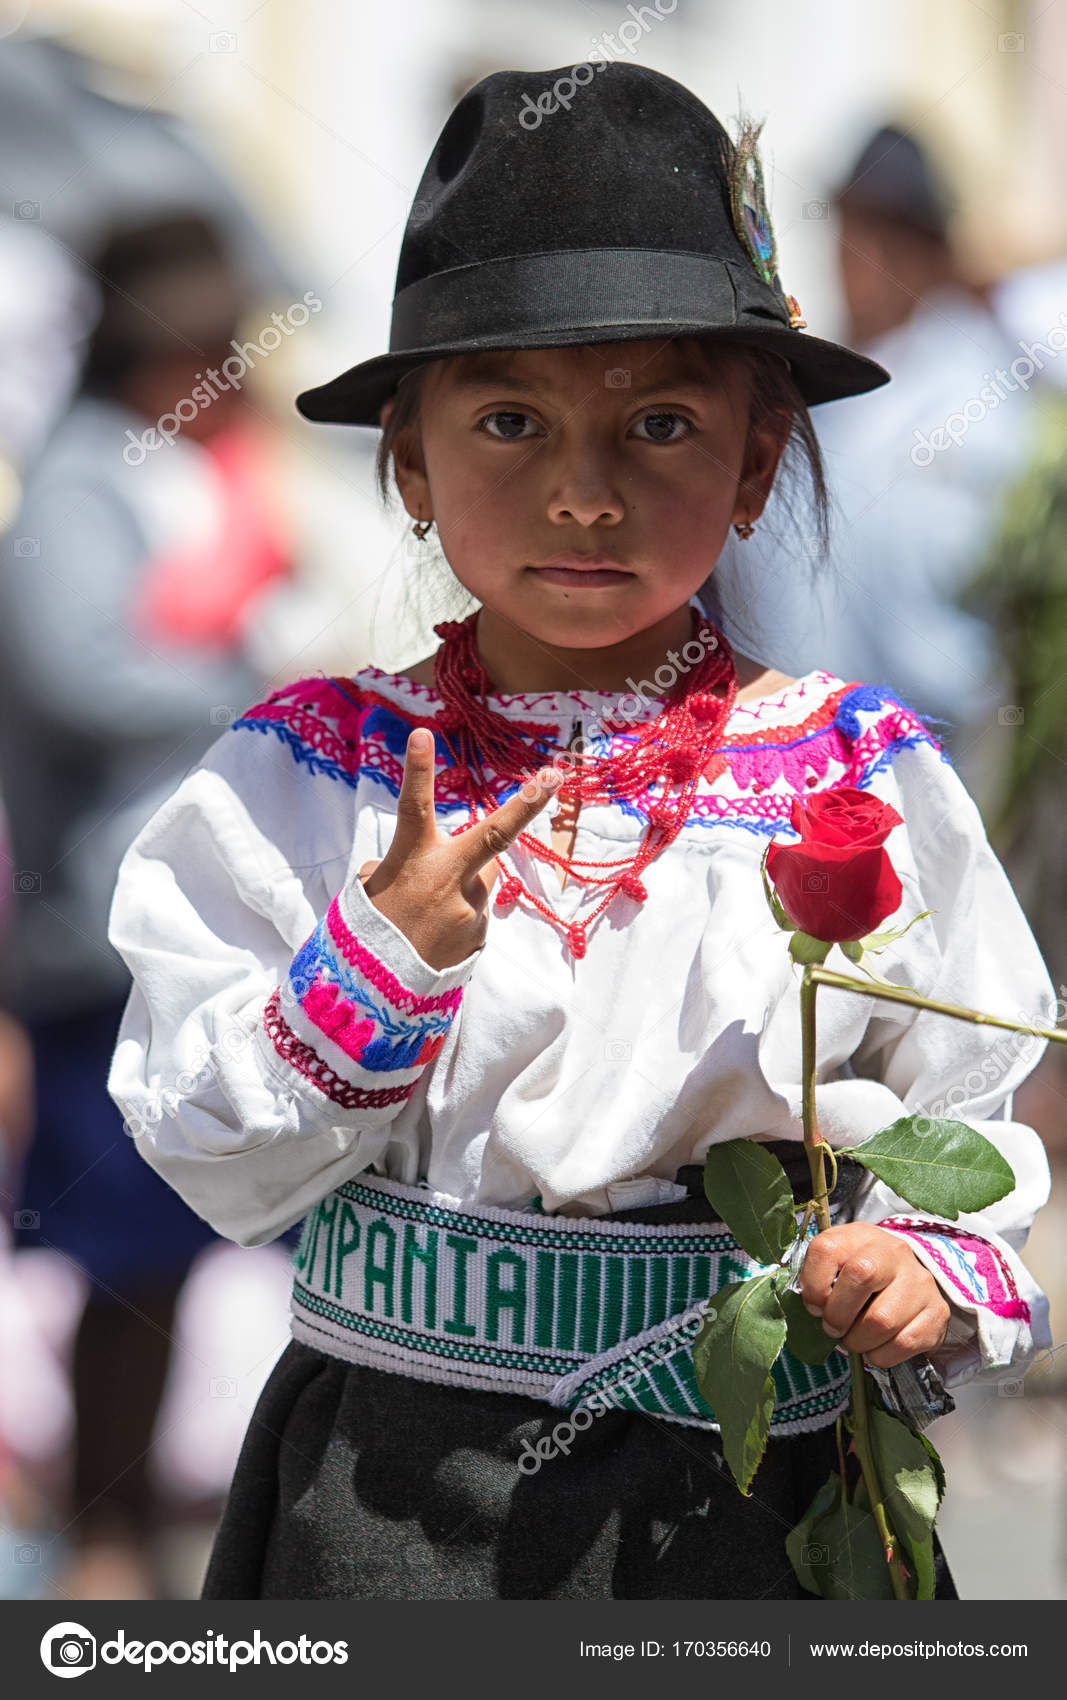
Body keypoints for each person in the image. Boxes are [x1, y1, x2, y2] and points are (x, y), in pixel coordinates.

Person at [106, 66, 1054, 1601]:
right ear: (410, 465)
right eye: (507, 421)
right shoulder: (315, 776)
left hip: (754, 1497)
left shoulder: (852, 773)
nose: (584, 494)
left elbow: (970, 1096)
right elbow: (208, 1151)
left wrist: (923, 1265)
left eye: (660, 423)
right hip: (391, 1502)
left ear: (753, 466)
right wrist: (371, 968)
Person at [1, 211, 295, 1599]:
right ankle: (99, 1542)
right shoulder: (72, 482)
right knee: (115, 1256)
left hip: (150, 931)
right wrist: (249, 676)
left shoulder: (149, 475)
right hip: (93, 940)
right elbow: (78, 674)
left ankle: (119, 1533)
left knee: (163, 1260)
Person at [700, 124, 1040, 810]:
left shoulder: (985, 382)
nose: (864, 260)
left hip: (933, 773)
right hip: (772, 767)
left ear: (934, 253)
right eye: (853, 233)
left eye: (891, 238)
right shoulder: (806, 394)